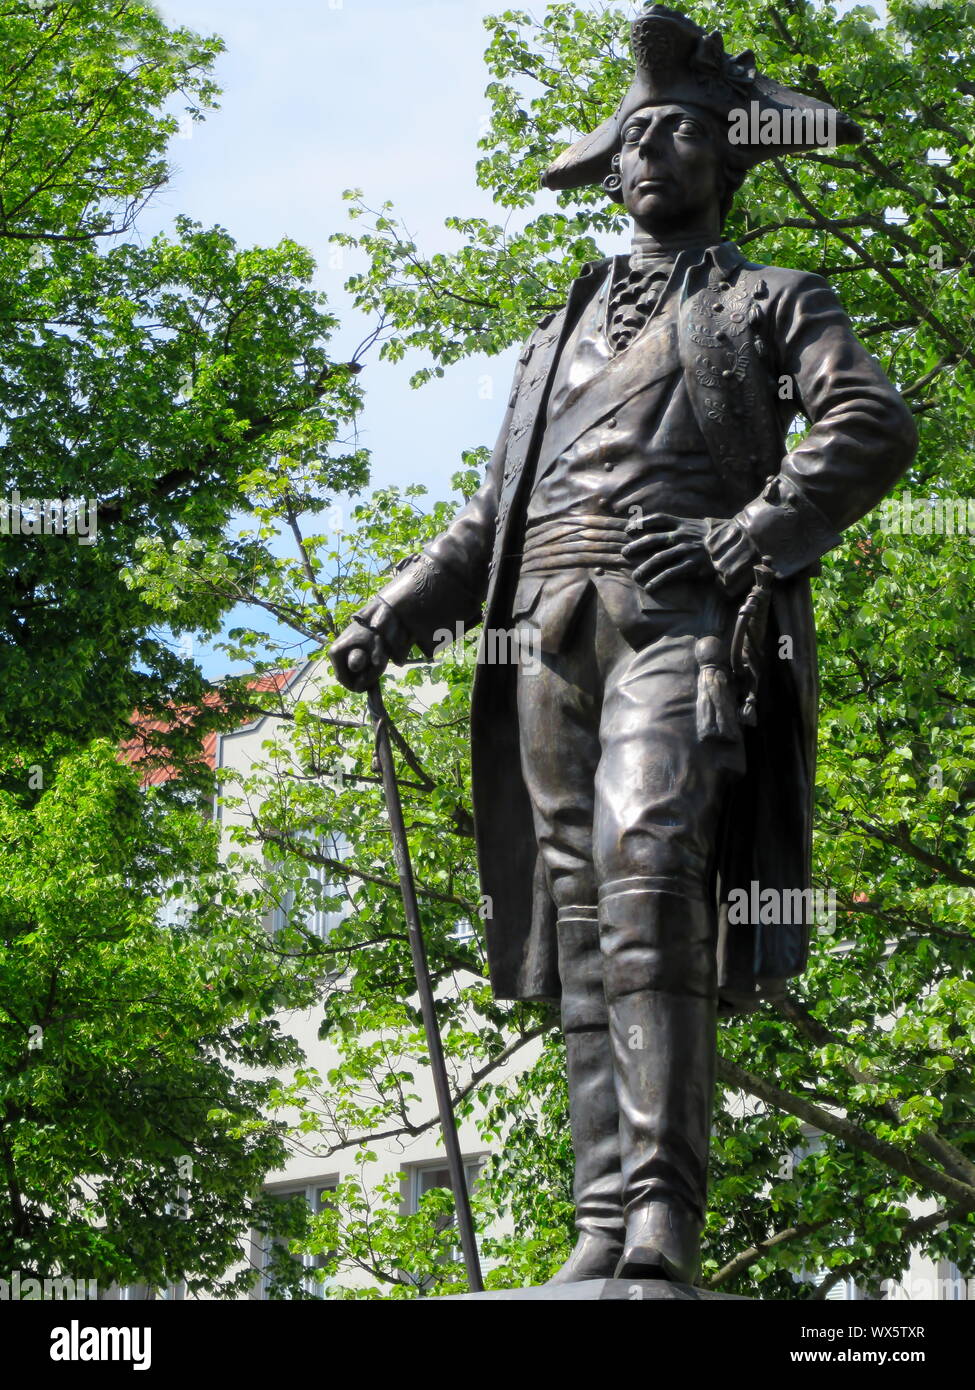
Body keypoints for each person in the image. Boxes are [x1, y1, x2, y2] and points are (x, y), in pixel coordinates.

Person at [331, 5, 917, 1287]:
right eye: (635, 138)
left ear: (726, 160)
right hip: (545, 638)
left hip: (682, 630)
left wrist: (749, 534)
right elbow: (492, 517)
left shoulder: (771, 300)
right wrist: (397, 610)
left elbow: (870, 422)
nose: (651, 155)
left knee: (648, 865)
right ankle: (600, 1226)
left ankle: (661, 1216)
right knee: (581, 915)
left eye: (679, 135)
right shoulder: (552, 337)